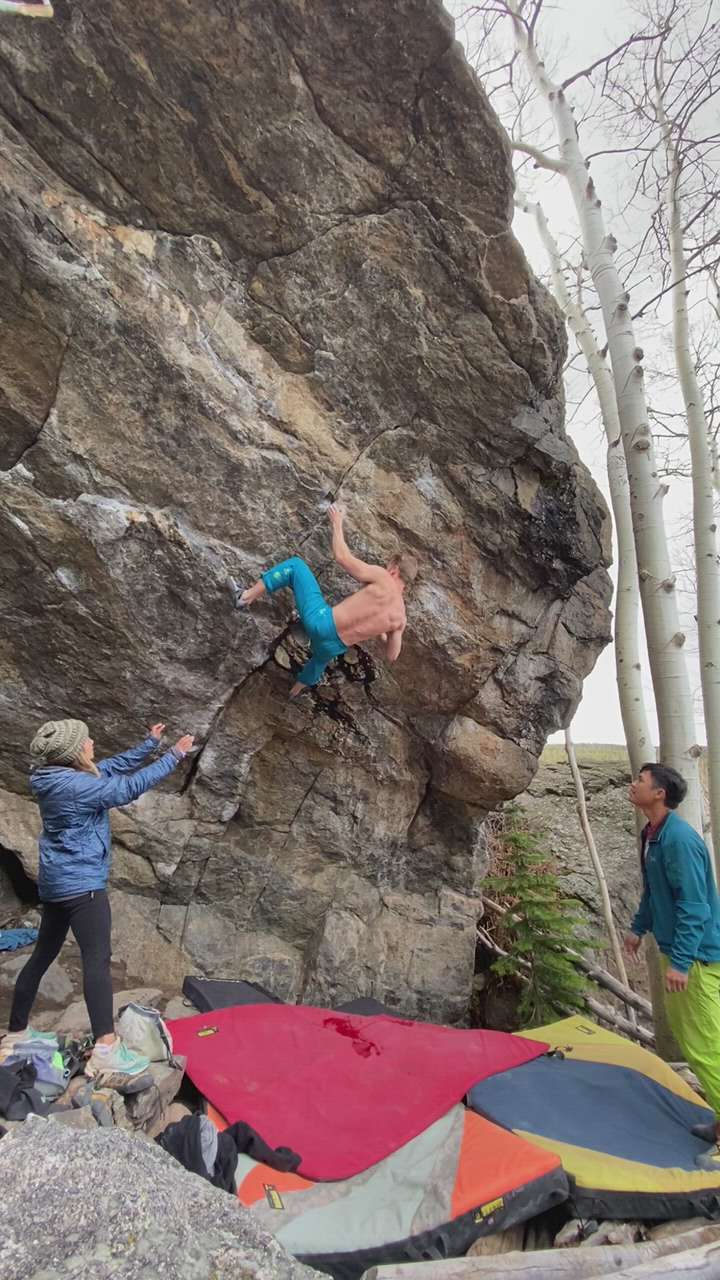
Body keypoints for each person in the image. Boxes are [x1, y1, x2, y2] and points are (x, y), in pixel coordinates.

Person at [0, 718, 193, 1078]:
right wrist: (174, 756)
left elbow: (110, 767)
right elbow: (127, 788)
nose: (91, 743)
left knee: (42, 954)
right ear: (74, 753)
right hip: (82, 886)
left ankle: (17, 1033)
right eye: (86, 740)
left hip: (57, 883)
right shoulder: (77, 786)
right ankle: (106, 1048)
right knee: (97, 961)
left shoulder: (53, 777)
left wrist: (148, 745)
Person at [624, 762, 720, 1159]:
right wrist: (637, 928)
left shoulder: (678, 840)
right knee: (698, 1041)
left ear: (659, 793)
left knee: (706, 1046)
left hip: (694, 957)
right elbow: (654, 892)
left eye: (641, 780)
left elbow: (695, 907)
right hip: (679, 951)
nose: (634, 784)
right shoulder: (653, 834)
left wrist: (680, 962)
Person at [229, 504, 419, 697]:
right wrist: (382, 633)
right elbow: (392, 655)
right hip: (332, 647)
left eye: (388, 567)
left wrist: (337, 522)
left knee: (295, 567)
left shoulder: (383, 578)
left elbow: (342, 557)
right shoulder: (400, 618)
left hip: (322, 622)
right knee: (319, 661)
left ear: (394, 569)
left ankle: (244, 597)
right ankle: (296, 690)